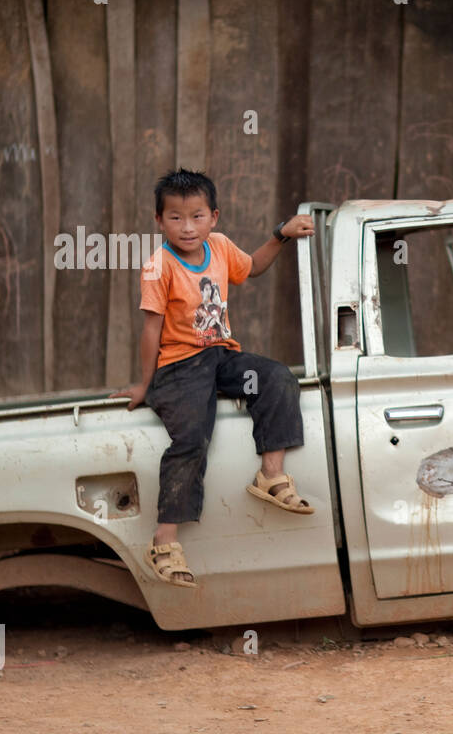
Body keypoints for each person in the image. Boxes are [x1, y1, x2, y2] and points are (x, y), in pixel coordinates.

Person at [110, 168, 317, 587]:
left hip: (220, 357)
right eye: (175, 218)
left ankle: (271, 475)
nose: (187, 227)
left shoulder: (220, 248)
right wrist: (145, 385)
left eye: (197, 216)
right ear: (158, 221)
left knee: (276, 378)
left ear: (214, 217)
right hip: (177, 367)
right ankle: (164, 541)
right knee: (192, 436)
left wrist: (282, 235)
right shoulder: (158, 267)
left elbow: (252, 267)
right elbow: (151, 328)